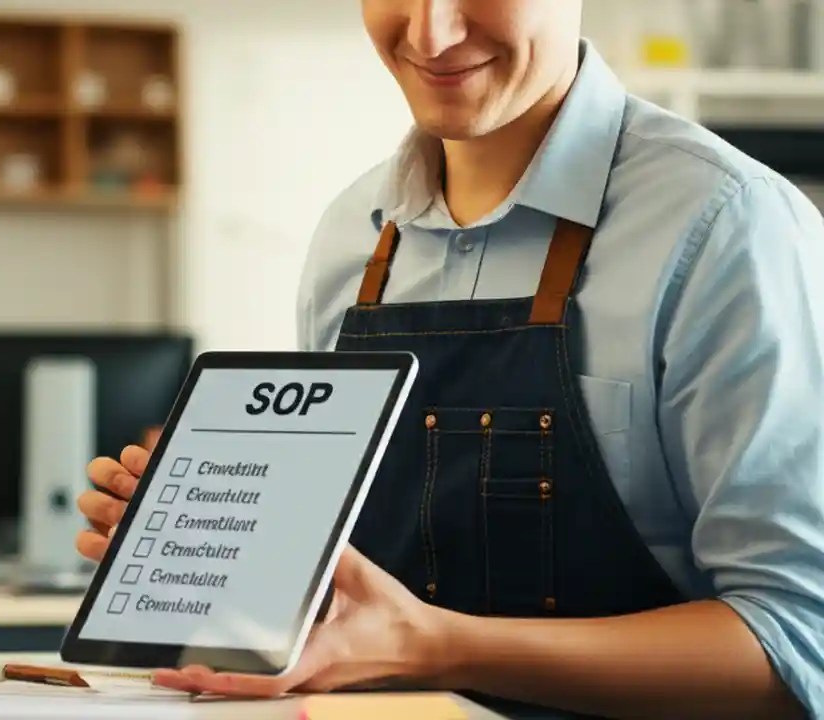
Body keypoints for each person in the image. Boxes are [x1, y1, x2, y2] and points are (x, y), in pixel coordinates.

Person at [75, 1, 824, 717]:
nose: (431, 33)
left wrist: (436, 647)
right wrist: (218, 551)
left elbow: (800, 648)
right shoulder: (351, 236)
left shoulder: (728, 226)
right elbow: (351, 608)